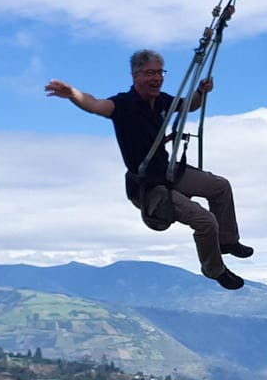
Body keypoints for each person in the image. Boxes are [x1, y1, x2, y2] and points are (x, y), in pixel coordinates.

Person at [45, 49, 252, 290]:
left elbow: (188, 106)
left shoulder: (163, 101)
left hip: (167, 171)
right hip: (147, 185)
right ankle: (214, 269)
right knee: (204, 221)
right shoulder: (123, 105)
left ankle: (227, 242)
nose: (156, 78)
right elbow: (95, 105)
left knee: (220, 187)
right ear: (135, 76)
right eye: (149, 73)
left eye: (159, 72)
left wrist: (200, 92)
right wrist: (72, 94)